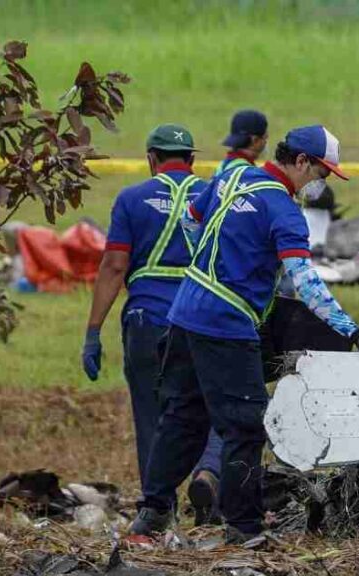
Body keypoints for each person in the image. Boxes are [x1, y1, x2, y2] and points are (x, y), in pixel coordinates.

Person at [129, 125, 359, 542]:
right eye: (321, 174)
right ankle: (243, 528)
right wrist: (352, 332)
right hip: (226, 323)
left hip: (184, 312)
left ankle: (152, 514)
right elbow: (304, 281)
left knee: (181, 418)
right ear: (301, 162)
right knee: (246, 426)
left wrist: (216, 261)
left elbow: (190, 219)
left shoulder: (234, 174)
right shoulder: (284, 211)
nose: (319, 185)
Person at [81, 123, 224, 526]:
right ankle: (209, 476)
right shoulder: (215, 195)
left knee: (152, 416)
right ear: (192, 161)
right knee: (214, 406)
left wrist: (93, 332)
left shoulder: (132, 199)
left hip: (147, 321)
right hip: (203, 320)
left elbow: (114, 266)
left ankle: (158, 510)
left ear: (151, 160)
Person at [215, 109, 269, 176]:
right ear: (255, 140)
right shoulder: (247, 173)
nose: (265, 142)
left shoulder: (224, 165)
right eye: (265, 137)